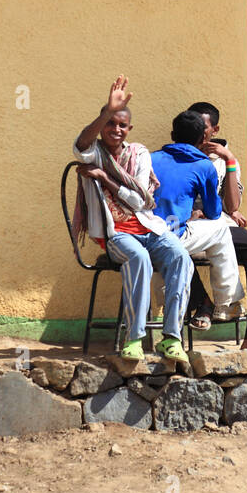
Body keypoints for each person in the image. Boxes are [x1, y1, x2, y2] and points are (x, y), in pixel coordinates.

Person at [71, 76, 192, 365]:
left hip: (149, 227)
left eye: (121, 125)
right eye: (110, 124)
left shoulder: (138, 153)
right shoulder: (94, 152)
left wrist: (103, 178)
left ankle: (172, 338)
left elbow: (139, 201)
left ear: (129, 129)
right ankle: (135, 338)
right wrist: (105, 112)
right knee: (139, 259)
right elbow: (80, 145)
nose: (115, 129)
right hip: (116, 235)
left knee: (181, 257)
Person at [185, 100, 247, 358]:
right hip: (187, 227)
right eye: (193, 126)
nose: (198, 132)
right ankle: (202, 303)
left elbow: (232, 205)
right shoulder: (179, 155)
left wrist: (228, 160)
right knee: (170, 248)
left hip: (220, 225)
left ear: (214, 130)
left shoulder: (224, 159)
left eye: (203, 127)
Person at [150, 110, 245, 318]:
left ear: (172, 135)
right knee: (220, 228)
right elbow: (213, 212)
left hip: (140, 237)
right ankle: (226, 303)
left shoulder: (150, 159)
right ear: (204, 137)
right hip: (170, 237)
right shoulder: (203, 166)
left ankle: (178, 307)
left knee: (170, 252)